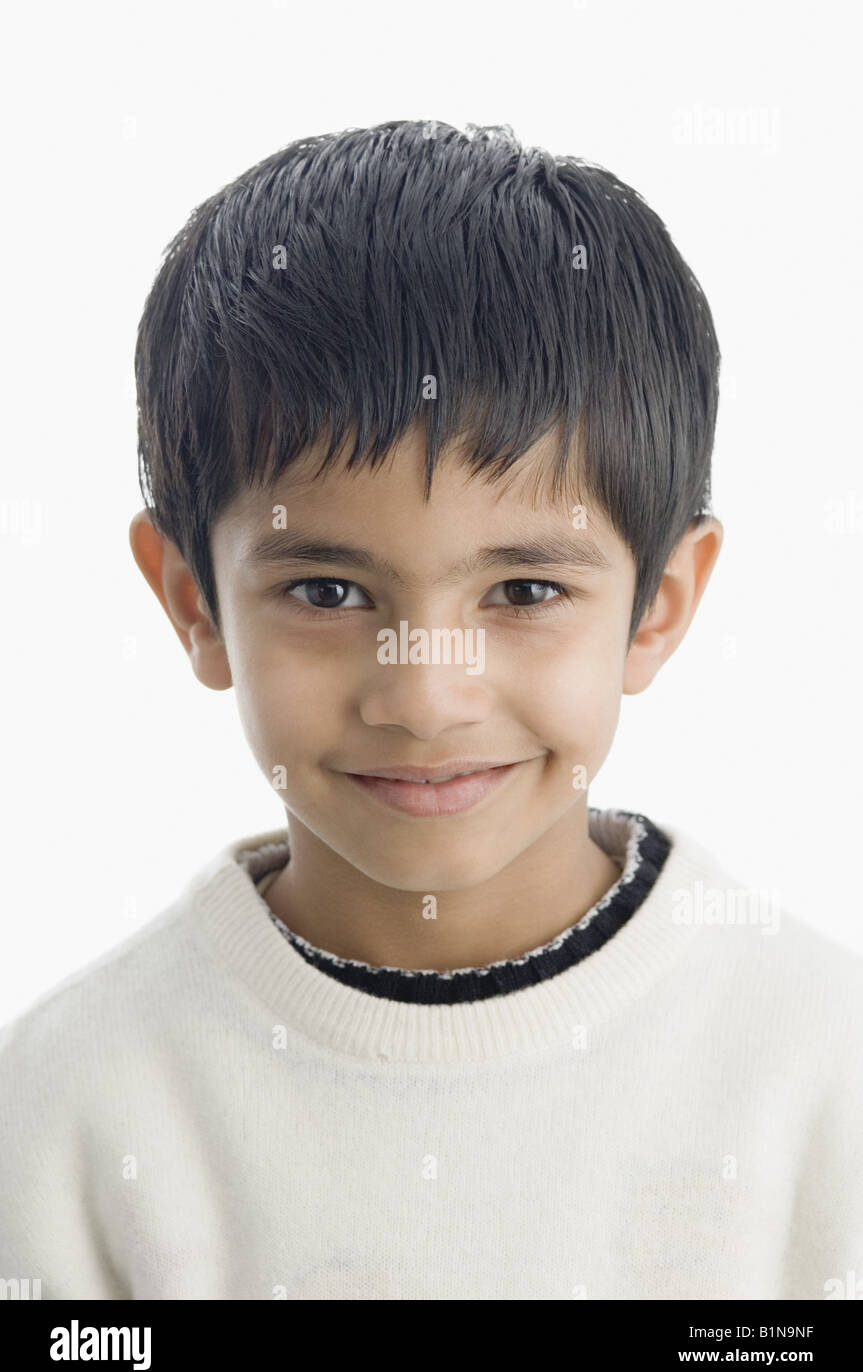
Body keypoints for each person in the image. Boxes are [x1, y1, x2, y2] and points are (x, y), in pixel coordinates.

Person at [2, 120, 860, 1301]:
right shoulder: (69, 1106)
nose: (423, 694)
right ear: (193, 602)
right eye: (325, 589)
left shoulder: (819, 1069)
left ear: (656, 607)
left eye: (522, 591)